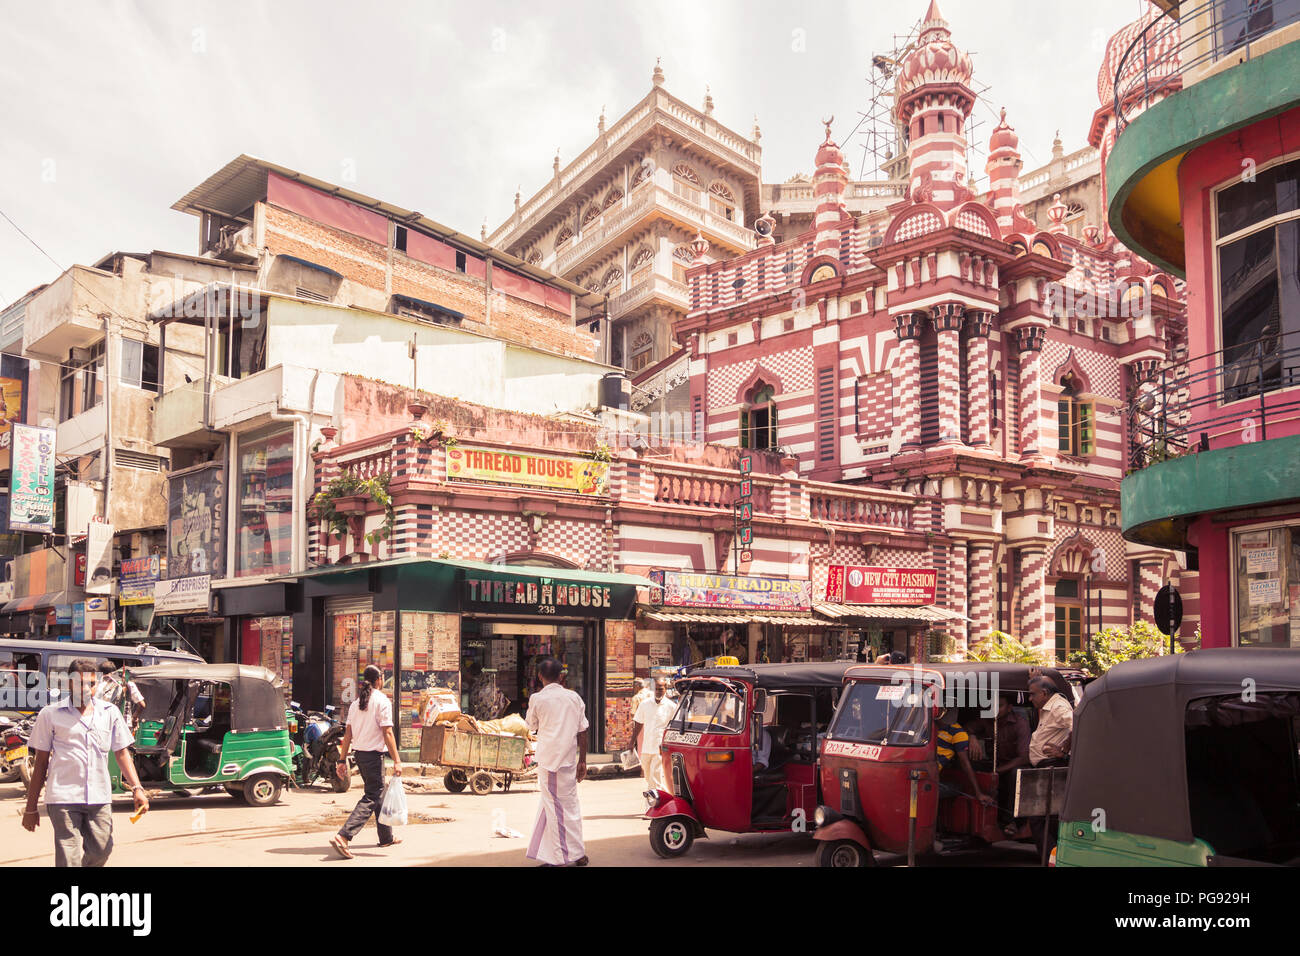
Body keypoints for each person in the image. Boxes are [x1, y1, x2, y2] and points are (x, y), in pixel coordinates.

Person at [21, 659, 150, 867]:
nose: (86, 688)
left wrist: (137, 788)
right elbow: (41, 763)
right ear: (69, 683)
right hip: (63, 797)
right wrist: (30, 808)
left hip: (99, 796)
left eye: (91, 683)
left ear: (97, 684)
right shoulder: (50, 714)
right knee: (68, 858)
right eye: (80, 683)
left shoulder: (109, 712)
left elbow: (122, 753)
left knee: (102, 851)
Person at [330, 665, 403, 859]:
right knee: (373, 795)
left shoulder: (356, 703)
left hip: (360, 755)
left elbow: (348, 734)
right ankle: (344, 835)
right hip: (372, 756)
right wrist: (397, 760)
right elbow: (388, 732)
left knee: (379, 793)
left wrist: (342, 759)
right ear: (379, 679)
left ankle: (386, 837)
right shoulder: (382, 701)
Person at [524, 656, 588, 867]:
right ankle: (575, 853)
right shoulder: (574, 697)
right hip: (569, 760)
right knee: (568, 805)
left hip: (551, 761)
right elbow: (583, 731)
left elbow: (530, 725)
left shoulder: (538, 699)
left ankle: (561, 857)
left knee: (555, 808)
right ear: (561, 676)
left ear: (540, 676)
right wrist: (583, 761)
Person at [1026, 676, 1074, 856]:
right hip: (1045, 766)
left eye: (1032, 695)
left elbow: (1078, 724)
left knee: (1038, 818)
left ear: (1044, 693)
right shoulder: (1049, 706)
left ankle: (1050, 859)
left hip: (1051, 766)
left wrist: (1064, 751)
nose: (1030, 699)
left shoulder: (1058, 706)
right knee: (1048, 819)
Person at [934, 707, 994, 808]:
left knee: (957, 787)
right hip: (922, 774)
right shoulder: (927, 725)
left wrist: (978, 793)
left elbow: (965, 764)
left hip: (931, 778)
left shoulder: (958, 733)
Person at [992, 694, 1031, 832]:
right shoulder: (989, 720)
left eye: (1000, 706)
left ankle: (1013, 821)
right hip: (997, 764)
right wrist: (972, 737)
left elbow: (1024, 757)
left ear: (1009, 708)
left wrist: (998, 770)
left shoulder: (1020, 723)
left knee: (1016, 774)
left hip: (1015, 765)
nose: (995, 709)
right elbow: (970, 727)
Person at [630, 679, 675, 792]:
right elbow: (639, 723)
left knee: (655, 778)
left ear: (665, 690)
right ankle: (668, 797)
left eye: (661, 689)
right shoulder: (645, 704)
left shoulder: (672, 707)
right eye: (657, 689)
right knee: (649, 777)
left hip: (660, 748)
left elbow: (674, 727)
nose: (658, 692)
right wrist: (632, 742)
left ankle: (652, 805)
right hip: (646, 747)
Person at [95, 660, 145, 729]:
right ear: (114, 672)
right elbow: (142, 705)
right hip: (123, 724)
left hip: (102, 722)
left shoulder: (96, 685)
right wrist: (134, 718)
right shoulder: (128, 683)